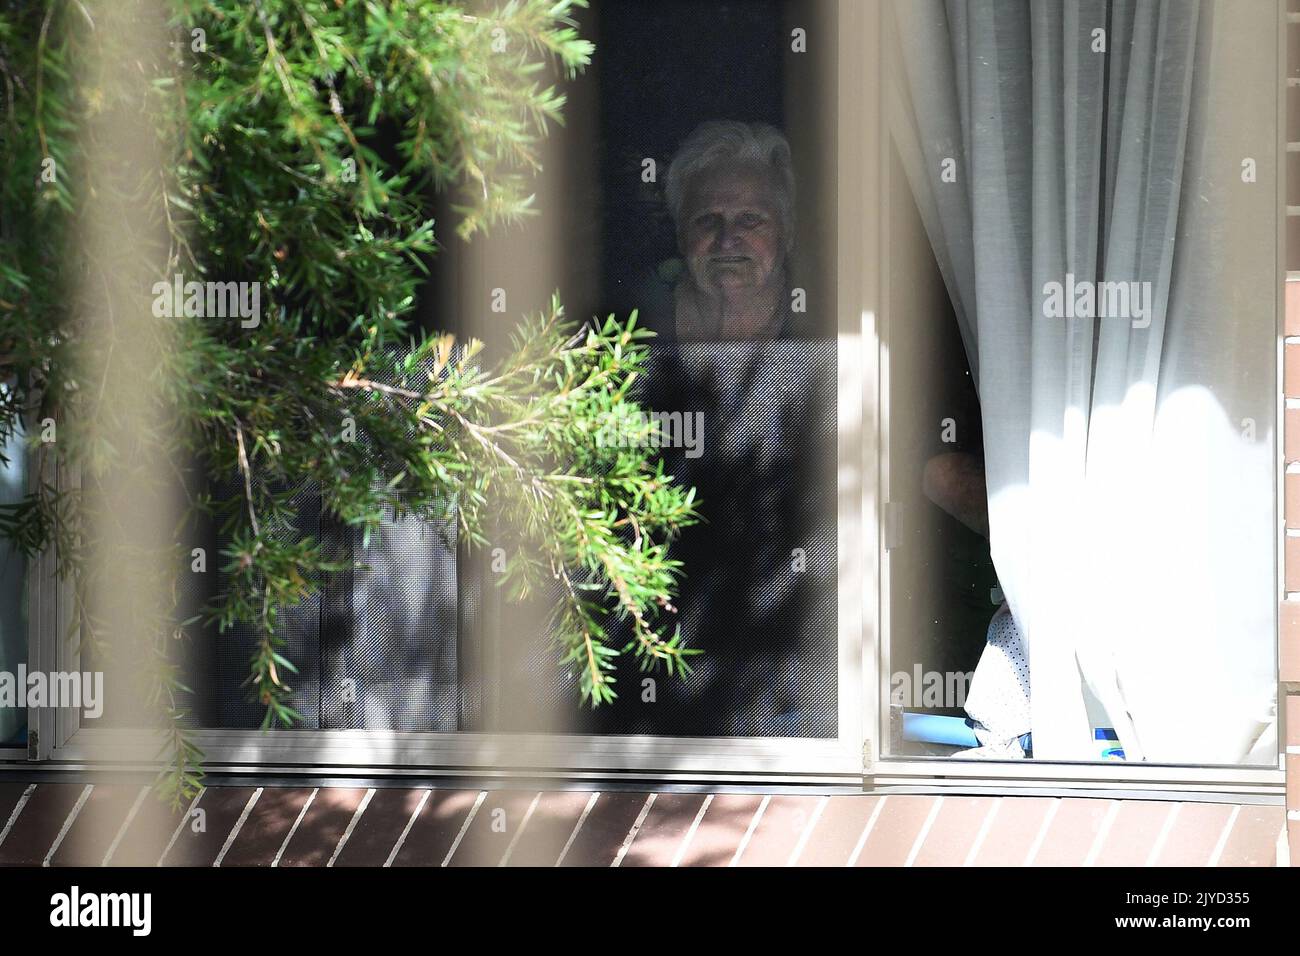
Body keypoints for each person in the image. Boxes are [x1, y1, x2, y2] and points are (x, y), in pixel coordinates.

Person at [654, 120, 797, 342]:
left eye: (749, 219)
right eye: (707, 220)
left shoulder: (824, 322)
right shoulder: (630, 323)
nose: (726, 241)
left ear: (787, 232)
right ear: (681, 234)